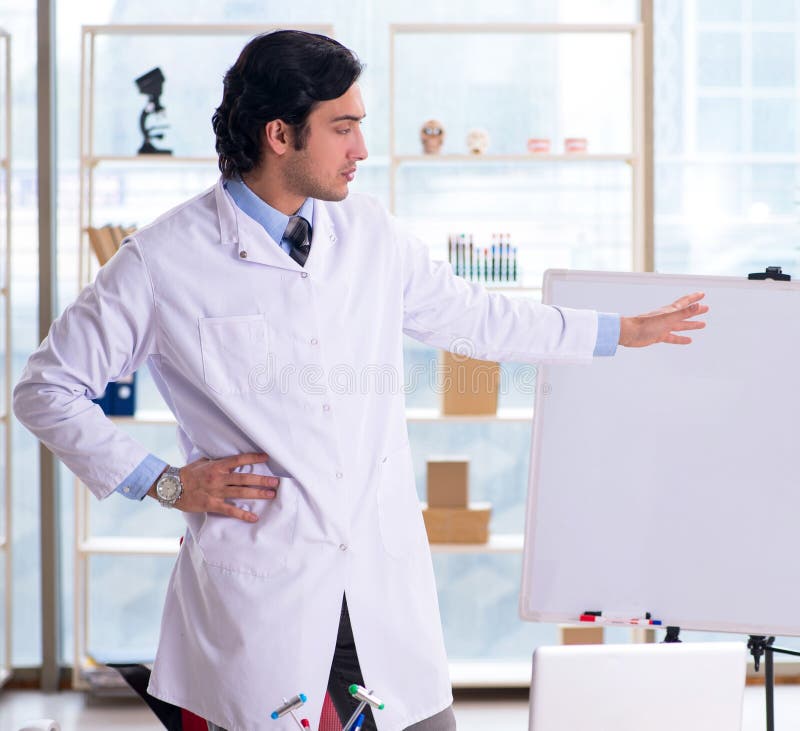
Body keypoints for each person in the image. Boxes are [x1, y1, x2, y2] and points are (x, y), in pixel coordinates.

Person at [13, 30, 707, 731]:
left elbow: (475, 318)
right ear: (280, 134)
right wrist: (163, 480)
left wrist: (617, 332)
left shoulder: (369, 233)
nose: (362, 150)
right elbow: (45, 389)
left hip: (380, 589)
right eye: (343, 128)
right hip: (263, 592)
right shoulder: (164, 260)